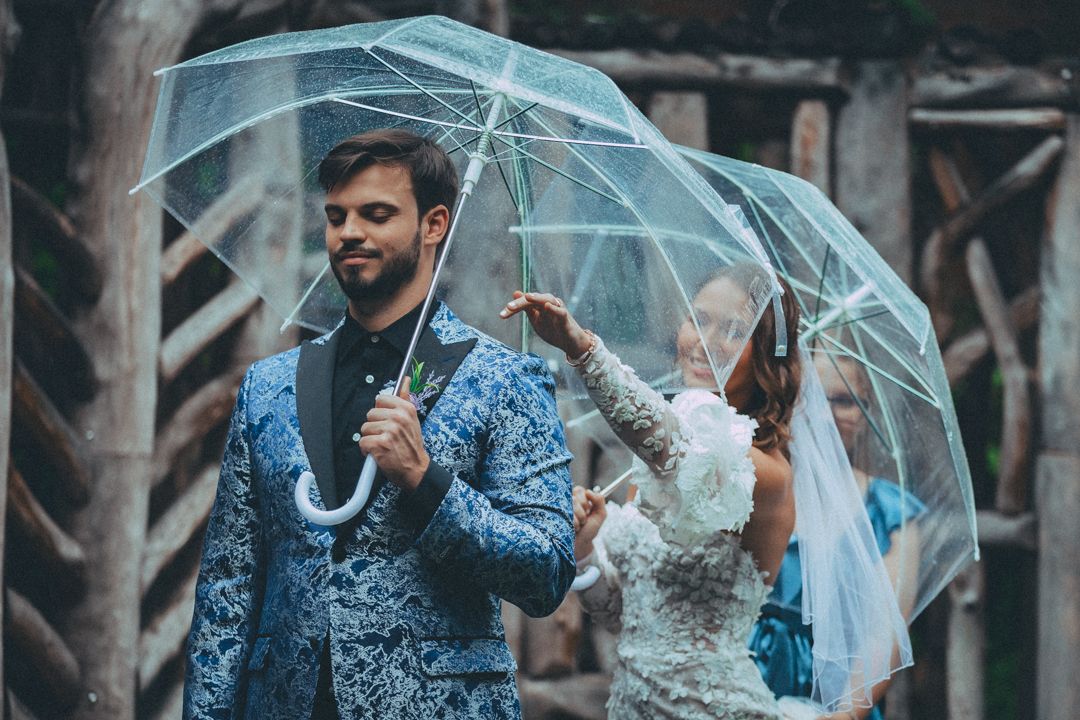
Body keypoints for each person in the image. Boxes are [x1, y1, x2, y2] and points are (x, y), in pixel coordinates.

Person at [184, 129, 576, 720]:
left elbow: (545, 573)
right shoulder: (267, 385)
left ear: (434, 224)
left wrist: (426, 479)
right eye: (337, 216)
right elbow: (229, 582)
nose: (350, 233)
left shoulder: (506, 379)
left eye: (376, 214)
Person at [501, 266, 807, 719]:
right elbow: (627, 616)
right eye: (698, 319)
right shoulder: (658, 469)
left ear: (766, 356)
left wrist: (580, 347)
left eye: (736, 331)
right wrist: (585, 551)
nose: (706, 340)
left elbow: (668, 444)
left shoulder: (763, 472)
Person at [748, 354, 924, 720]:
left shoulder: (891, 513)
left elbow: (884, 634)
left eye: (843, 401)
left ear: (865, 411)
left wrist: (844, 715)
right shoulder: (755, 484)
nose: (826, 413)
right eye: (811, 397)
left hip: (841, 696)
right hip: (743, 671)